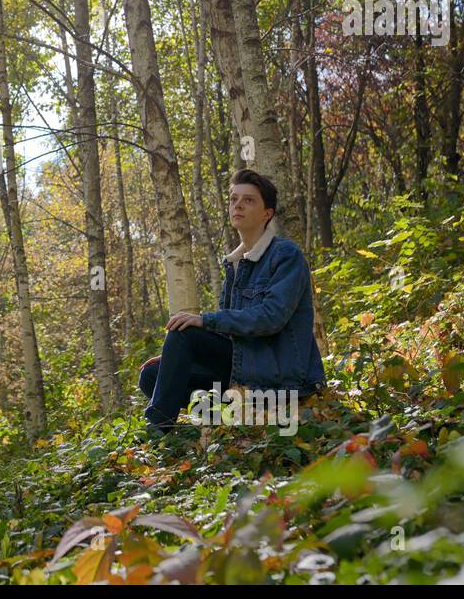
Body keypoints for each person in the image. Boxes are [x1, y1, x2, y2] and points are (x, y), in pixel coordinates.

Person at [137, 169, 325, 437]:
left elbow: (271, 317)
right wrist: (175, 357)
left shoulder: (286, 256)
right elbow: (228, 333)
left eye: (248, 200)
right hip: (242, 371)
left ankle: (156, 433)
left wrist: (204, 322)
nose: (237, 205)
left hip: (279, 378)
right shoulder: (235, 264)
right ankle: (228, 419)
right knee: (152, 375)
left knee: (186, 333)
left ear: (266, 214)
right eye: (234, 199)